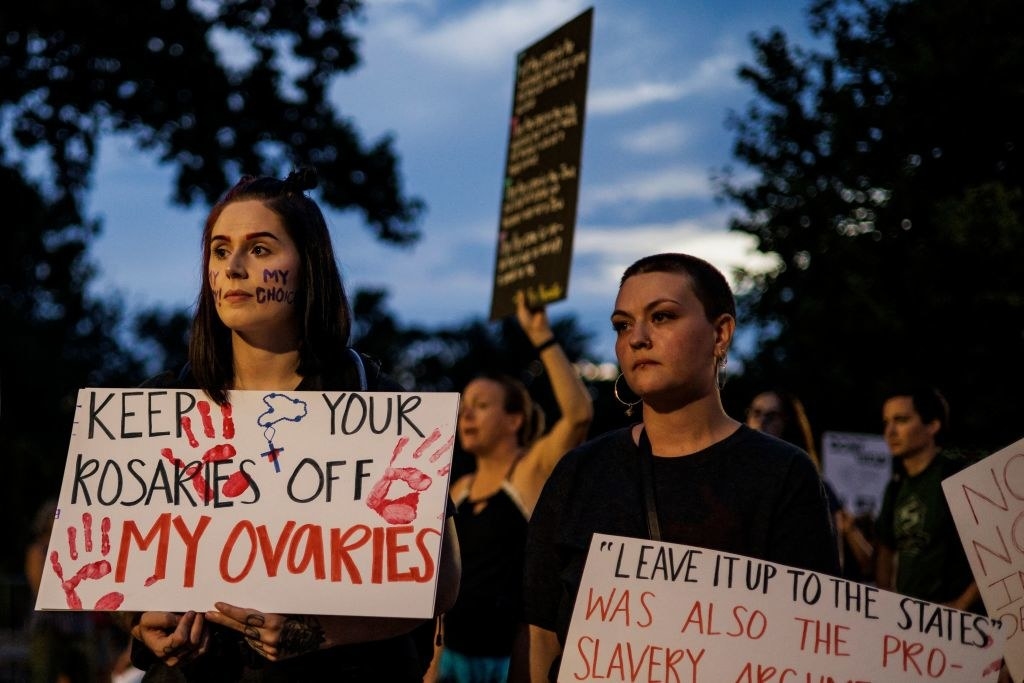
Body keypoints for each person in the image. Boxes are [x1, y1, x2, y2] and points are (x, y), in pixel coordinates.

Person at [111, 168, 461, 682]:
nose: (233, 267)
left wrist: (318, 630)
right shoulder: (160, 406)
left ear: (308, 267)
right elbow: (115, 566)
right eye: (219, 249)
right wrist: (142, 623)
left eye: (259, 249)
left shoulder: (375, 404)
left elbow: (440, 584)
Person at [523, 253, 839, 682]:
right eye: (622, 324)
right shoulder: (579, 472)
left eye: (662, 316)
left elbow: (810, 642)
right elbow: (539, 638)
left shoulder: (782, 474)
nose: (637, 338)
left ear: (720, 333)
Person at [429, 294, 593, 683]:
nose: (466, 414)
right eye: (465, 405)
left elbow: (579, 415)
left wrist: (541, 334)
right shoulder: (458, 489)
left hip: (509, 662)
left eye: (482, 405)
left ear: (514, 419)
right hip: (453, 659)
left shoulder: (529, 472)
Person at [745, 389, 875, 581]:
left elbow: (830, 562)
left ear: (787, 423)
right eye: (756, 413)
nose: (761, 422)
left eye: (772, 416)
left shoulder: (812, 483)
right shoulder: (737, 477)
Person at [875, 386, 981, 613]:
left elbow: (993, 552)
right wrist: (887, 607)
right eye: (886, 422)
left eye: (901, 420)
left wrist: (961, 605)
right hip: (912, 624)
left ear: (933, 425)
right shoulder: (895, 486)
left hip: (956, 623)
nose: (890, 431)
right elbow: (885, 552)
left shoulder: (957, 476)